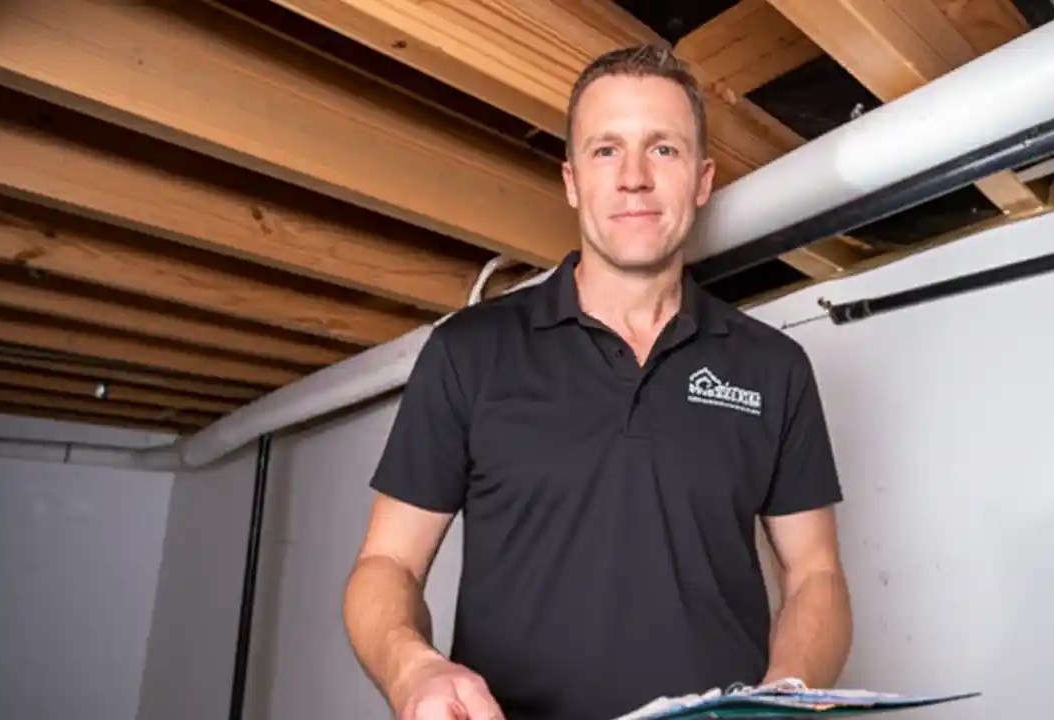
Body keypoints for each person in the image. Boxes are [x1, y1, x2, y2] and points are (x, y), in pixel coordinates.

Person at [343, 44, 853, 720]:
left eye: (663, 150)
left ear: (702, 181)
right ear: (572, 180)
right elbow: (388, 566)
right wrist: (413, 672)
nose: (634, 177)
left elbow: (815, 574)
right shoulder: (469, 352)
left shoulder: (774, 368)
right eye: (606, 150)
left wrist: (785, 698)